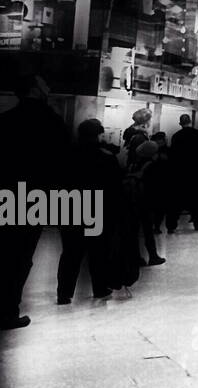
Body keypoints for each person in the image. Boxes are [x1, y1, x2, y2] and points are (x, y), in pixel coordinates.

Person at [1, 75, 69, 328]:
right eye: (44, 85)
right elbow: (62, 164)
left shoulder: (6, 120)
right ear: (34, 90)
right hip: (35, 200)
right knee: (21, 256)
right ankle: (8, 310)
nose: (49, 87)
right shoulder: (51, 122)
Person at [58, 120, 120, 304]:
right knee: (98, 253)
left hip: (71, 208)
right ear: (99, 134)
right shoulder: (106, 158)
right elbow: (114, 189)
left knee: (70, 253)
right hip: (97, 210)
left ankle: (64, 293)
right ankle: (100, 288)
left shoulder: (66, 155)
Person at [167, 114, 198, 233]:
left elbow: (173, 156)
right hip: (195, 173)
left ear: (180, 123)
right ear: (191, 122)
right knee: (196, 200)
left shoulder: (176, 136)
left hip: (180, 173)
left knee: (176, 201)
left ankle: (171, 225)